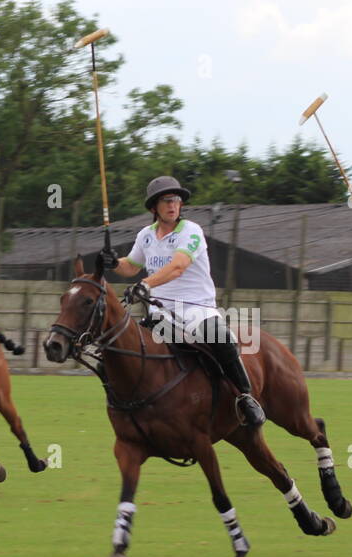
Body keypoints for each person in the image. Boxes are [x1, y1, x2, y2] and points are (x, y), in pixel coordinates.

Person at [99, 175, 266, 427]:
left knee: (220, 338)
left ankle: (245, 397)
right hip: (161, 312)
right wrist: (114, 263)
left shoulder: (191, 231)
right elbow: (131, 266)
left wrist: (146, 285)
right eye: (166, 200)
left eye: (176, 200)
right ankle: (133, 402)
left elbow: (178, 266)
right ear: (154, 207)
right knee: (125, 347)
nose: (173, 205)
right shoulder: (146, 235)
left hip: (196, 308)